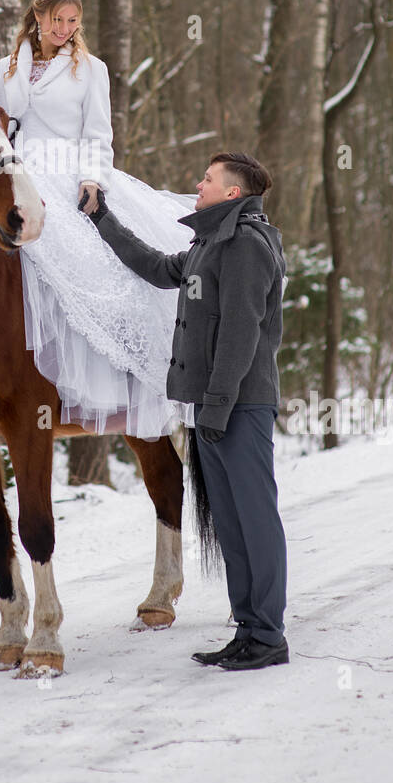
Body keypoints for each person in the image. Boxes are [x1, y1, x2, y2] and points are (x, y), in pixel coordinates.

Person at [0, 0, 198, 439]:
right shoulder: (11, 65)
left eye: (73, 21)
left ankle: (98, 374)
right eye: (57, 19)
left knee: (85, 272)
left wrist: (93, 179)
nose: (65, 28)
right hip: (17, 172)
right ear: (38, 17)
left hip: (68, 174)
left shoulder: (91, 70)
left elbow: (98, 134)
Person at [80, 152, 290, 670]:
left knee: (255, 519)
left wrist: (216, 409)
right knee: (231, 523)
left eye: (208, 179)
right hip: (212, 407)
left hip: (240, 404)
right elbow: (155, 267)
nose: (197, 183)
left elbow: (242, 333)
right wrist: (101, 217)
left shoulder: (246, 245)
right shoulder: (210, 243)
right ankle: (248, 629)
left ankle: (268, 635)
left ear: (233, 193)